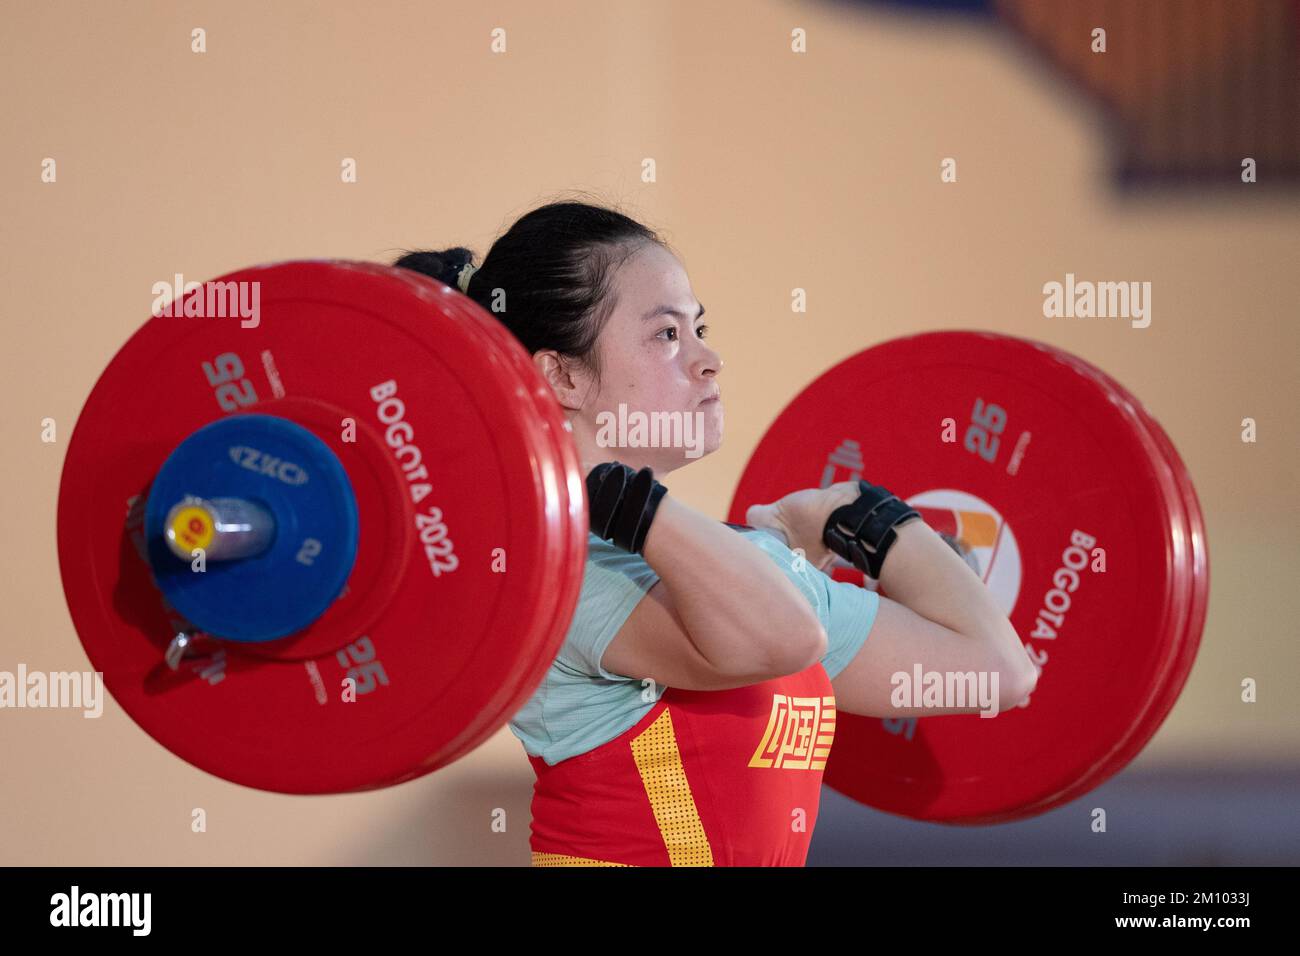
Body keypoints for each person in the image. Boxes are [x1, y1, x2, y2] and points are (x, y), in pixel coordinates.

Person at [393, 197, 1038, 866]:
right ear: (562, 374)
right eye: (667, 335)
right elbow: (786, 638)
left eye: (700, 328)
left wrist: (858, 516)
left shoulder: (747, 565)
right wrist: (634, 500)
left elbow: (997, 671)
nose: (709, 360)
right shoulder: (570, 578)